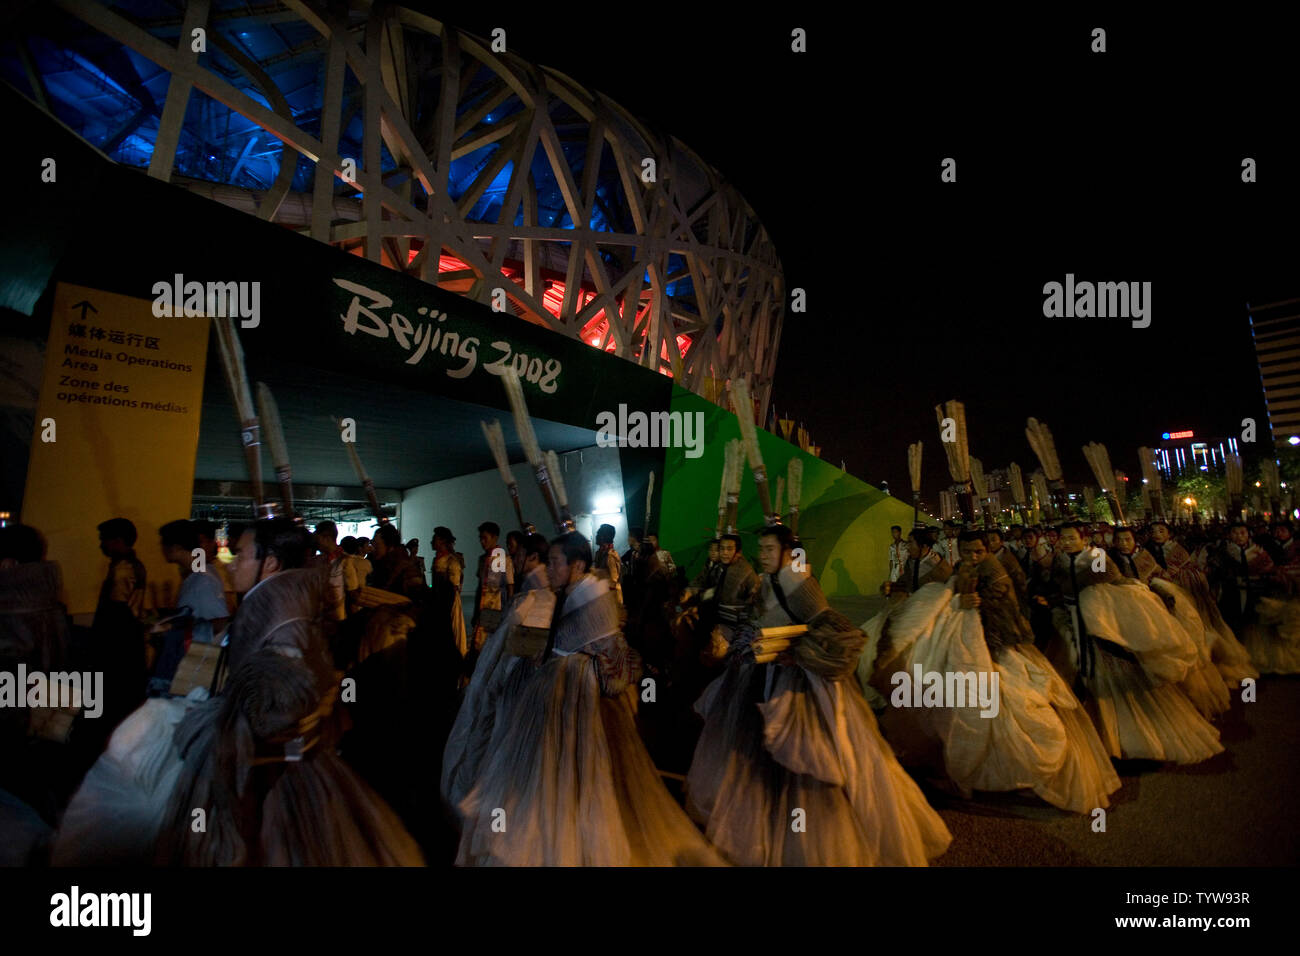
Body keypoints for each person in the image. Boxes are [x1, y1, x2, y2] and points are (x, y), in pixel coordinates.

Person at [686, 524, 952, 865]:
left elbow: (836, 628)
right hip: (764, 675)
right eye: (762, 549)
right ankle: (768, 827)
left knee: (806, 759)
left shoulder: (798, 581)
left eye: (770, 549)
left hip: (801, 684)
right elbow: (759, 622)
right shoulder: (768, 580)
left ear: (787, 552)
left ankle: (812, 840)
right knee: (762, 757)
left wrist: (797, 649)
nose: (764, 555)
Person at [454, 532, 721, 865]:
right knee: (547, 776)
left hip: (578, 699)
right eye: (548, 560)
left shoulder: (592, 601)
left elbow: (608, 654)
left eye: (555, 562)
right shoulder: (566, 594)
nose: (549, 568)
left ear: (577, 564)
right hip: (554, 695)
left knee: (575, 777)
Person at [865, 531, 1120, 813]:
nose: (972, 556)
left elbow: (1005, 605)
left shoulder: (996, 570)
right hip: (970, 641)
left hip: (996, 644)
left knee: (1009, 706)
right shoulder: (962, 567)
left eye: (977, 551)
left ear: (986, 549)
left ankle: (1017, 771)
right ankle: (975, 768)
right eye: (966, 551)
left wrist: (977, 606)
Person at [1040, 523, 1222, 764]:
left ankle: (1134, 740)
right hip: (1070, 625)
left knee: (1117, 683)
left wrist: (1103, 621)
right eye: (1063, 538)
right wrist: (1051, 601)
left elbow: (1113, 587)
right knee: (1082, 682)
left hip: (1099, 627)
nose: (1066, 542)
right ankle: (1102, 739)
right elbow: (1058, 588)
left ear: (1083, 539)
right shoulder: (1059, 561)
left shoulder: (1096, 558)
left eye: (1071, 537)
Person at [1111, 526, 1228, 719]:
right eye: (1119, 540)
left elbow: (1159, 578)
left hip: (1154, 607)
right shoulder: (1108, 559)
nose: (1123, 544)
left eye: (1127, 540)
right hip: (1127, 612)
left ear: (1134, 541)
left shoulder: (1145, 556)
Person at [1146, 520, 1255, 687]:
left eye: (1161, 531)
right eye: (1153, 531)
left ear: (1169, 534)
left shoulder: (1178, 551)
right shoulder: (1146, 552)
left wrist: (1179, 574)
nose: (1157, 534)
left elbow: (1195, 572)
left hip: (1184, 599)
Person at [147, 520, 230, 696]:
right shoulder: (197, 574)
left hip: (194, 673)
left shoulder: (202, 580)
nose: (160, 549)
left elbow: (219, 624)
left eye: (163, 544)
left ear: (175, 548)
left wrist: (173, 629)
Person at [91, 517, 147, 732]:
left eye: (103, 539)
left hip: (117, 645)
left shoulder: (122, 567)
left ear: (117, 540)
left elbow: (117, 612)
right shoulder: (132, 564)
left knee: (114, 703)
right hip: (128, 642)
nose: (101, 545)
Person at [471, 521, 514, 657]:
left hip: (495, 608)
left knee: (489, 645)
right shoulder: (483, 559)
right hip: (483, 608)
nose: (482, 542)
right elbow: (481, 586)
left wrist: (507, 611)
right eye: (481, 538)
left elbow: (509, 586)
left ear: (494, 537)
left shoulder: (501, 558)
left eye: (485, 538)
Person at [430, 527, 469, 658]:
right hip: (437, 601)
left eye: (434, 539)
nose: (432, 541)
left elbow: (454, 586)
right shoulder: (438, 559)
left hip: (448, 603)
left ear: (441, 541)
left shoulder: (451, 561)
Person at [368, 524, 426, 600]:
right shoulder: (378, 563)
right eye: (372, 542)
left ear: (390, 546)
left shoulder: (405, 568)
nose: (372, 547)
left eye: (376, 543)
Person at [193, 519, 236, 615]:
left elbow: (228, 606)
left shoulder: (219, 569)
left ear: (211, 543)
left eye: (200, 542)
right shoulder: (197, 567)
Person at [592, 523, 623, 608]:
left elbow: (614, 580)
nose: (596, 536)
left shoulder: (610, 556)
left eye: (598, 534)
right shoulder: (600, 553)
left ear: (604, 537)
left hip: (611, 599)